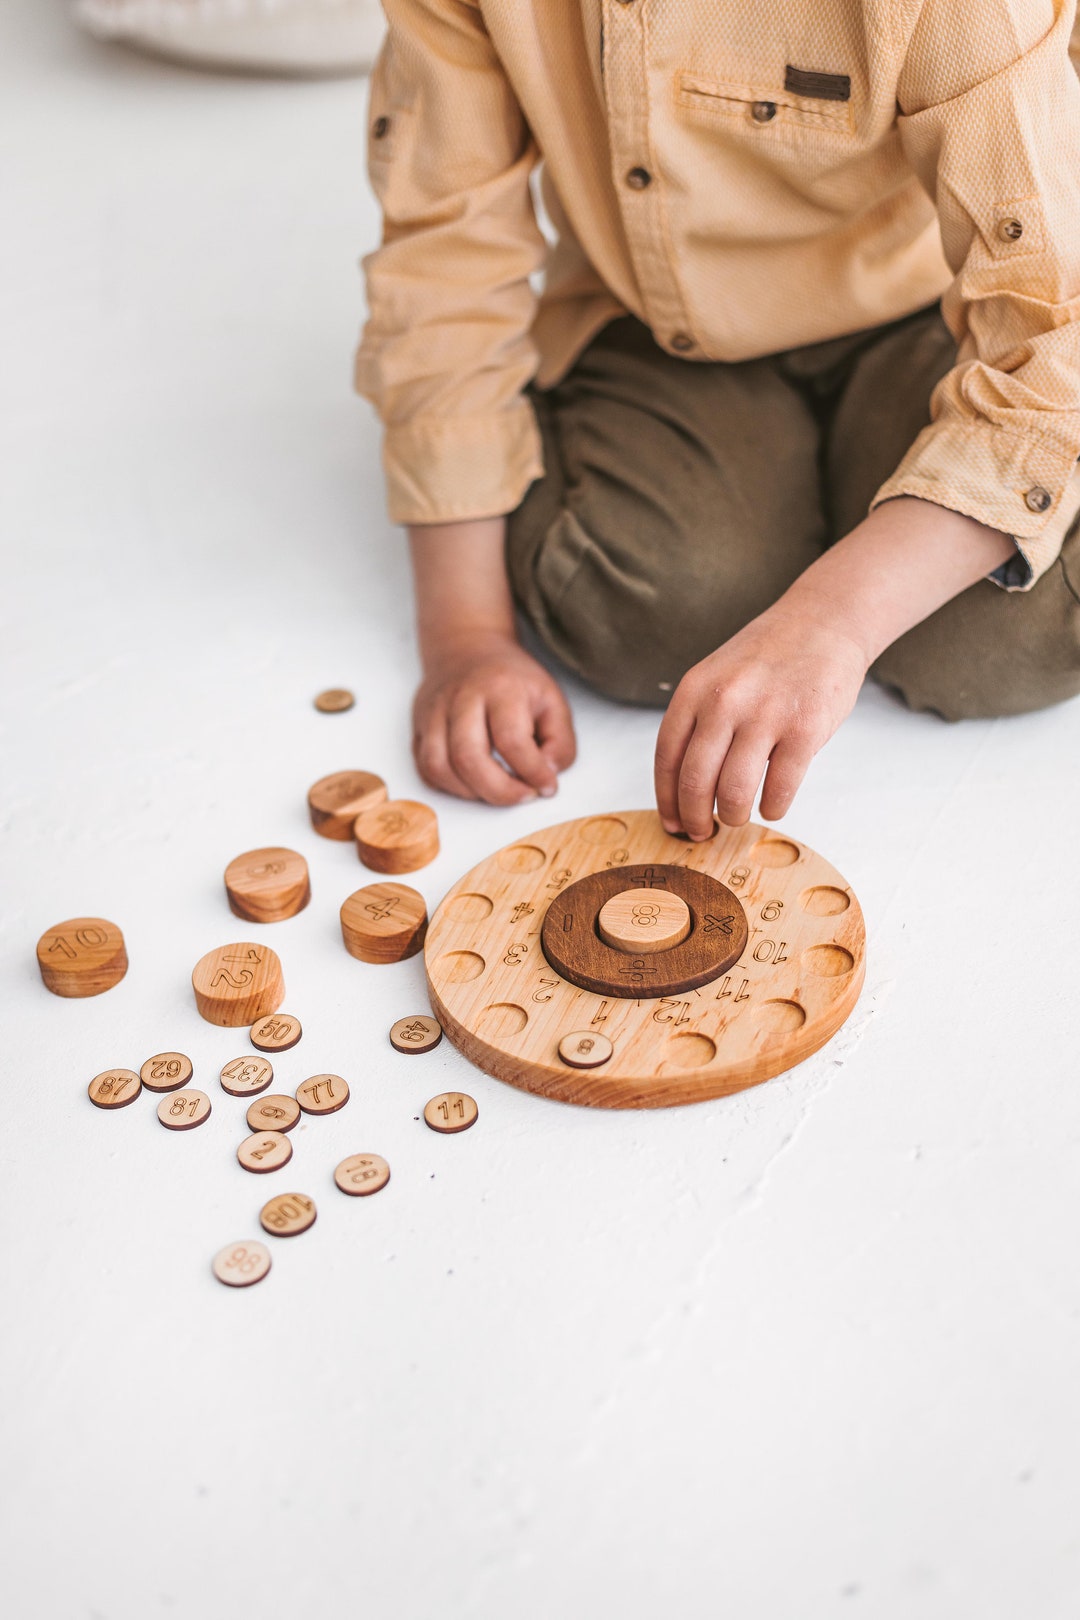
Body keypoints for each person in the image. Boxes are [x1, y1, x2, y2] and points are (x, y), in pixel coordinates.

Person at [356, 1, 1080, 841]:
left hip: (937, 307)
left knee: (999, 641)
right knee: (637, 607)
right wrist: (466, 636)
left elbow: (1054, 323)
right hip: (658, 321)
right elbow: (445, 252)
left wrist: (831, 623)